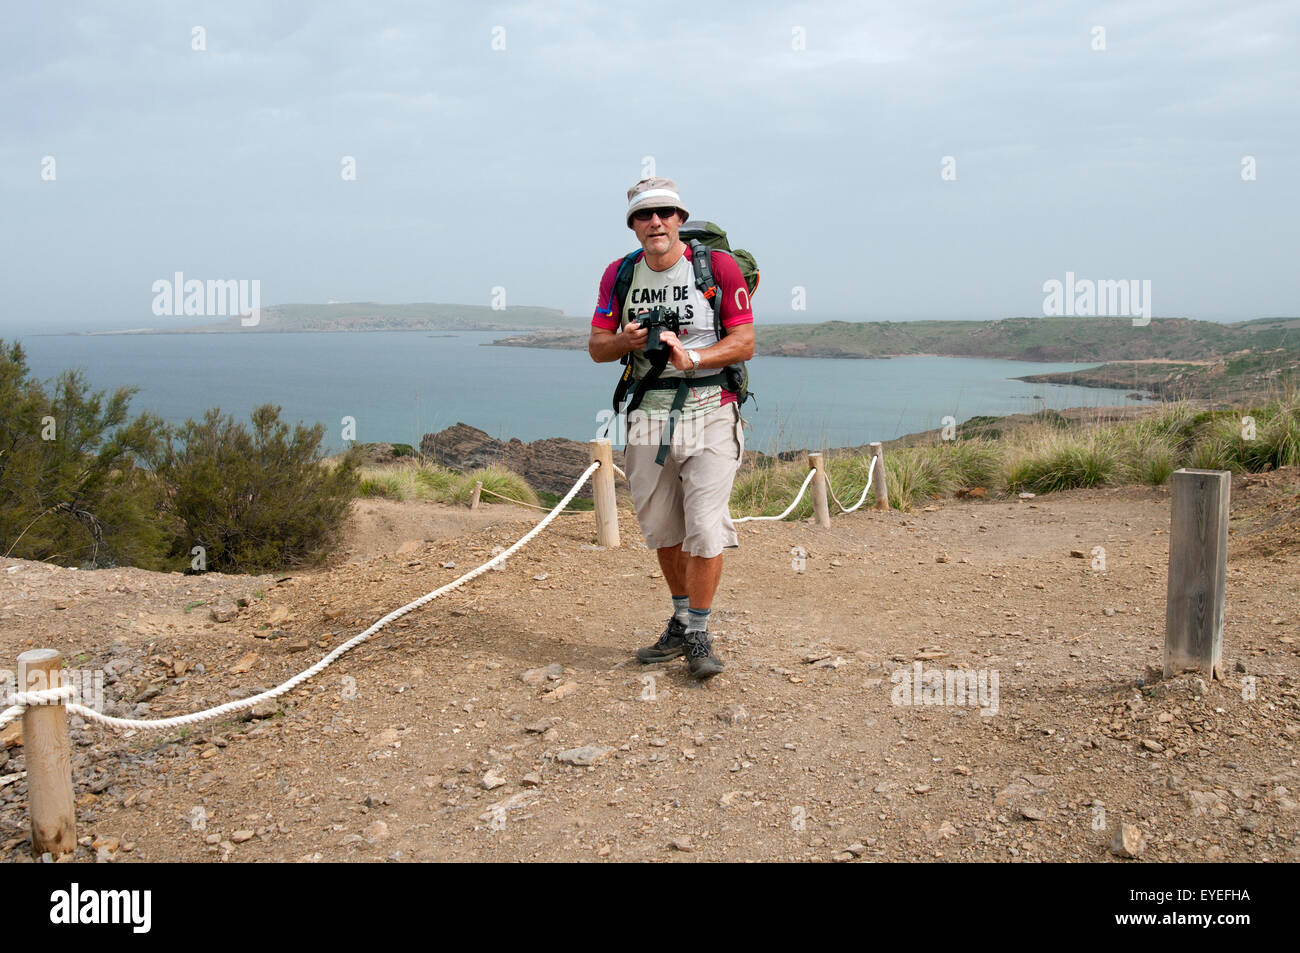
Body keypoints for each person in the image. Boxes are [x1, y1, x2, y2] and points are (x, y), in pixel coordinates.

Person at [588, 177, 754, 679]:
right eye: (644, 215)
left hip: (711, 409)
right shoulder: (619, 275)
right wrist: (626, 340)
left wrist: (694, 356)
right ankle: (681, 621)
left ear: (680, 218)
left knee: (705, 527)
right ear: (633, 225)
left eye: (664, 212)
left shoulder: (715, 267)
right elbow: (597, 347)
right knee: (662, 528)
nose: (655, 222)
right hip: (647, 415)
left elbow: (744, 341)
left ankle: (700, 633)